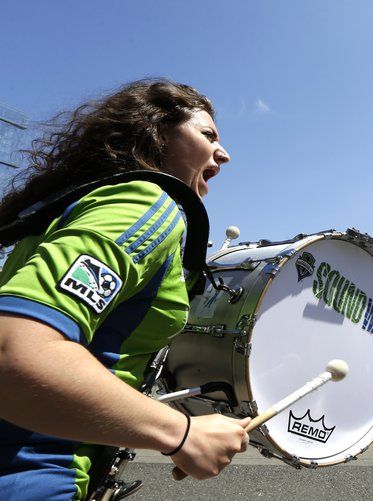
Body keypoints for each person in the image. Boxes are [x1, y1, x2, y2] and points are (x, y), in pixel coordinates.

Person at [0, 80, 249, 498]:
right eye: (208, 135)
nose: (224, 153)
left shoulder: (87, 204)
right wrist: (180, 432)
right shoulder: (146, 204)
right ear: (158, 133)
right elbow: (15, 353)